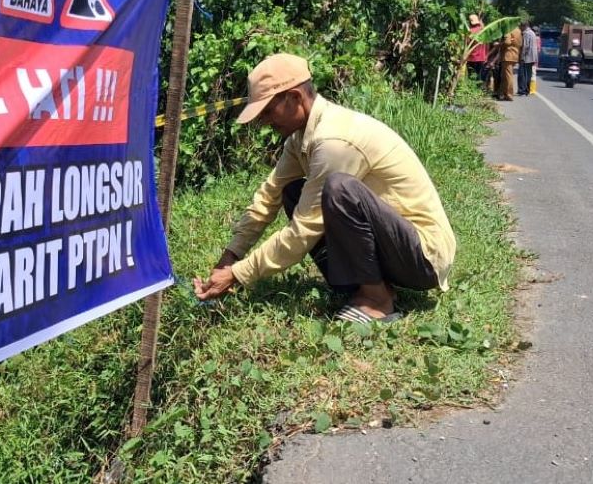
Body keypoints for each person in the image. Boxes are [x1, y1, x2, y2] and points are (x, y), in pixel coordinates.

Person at [192, 54, 457, 324]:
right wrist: (228, 259)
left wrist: (239, 274)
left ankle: (378, 300)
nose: (265, 122)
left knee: (339, 190)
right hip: (393, 247)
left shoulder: (333, 141)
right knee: (291, 192)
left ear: (294, 98)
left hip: (423, 257)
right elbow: (268, 197)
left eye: (269, 111)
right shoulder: (300, 137)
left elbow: (302, 231)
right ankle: (364, 287)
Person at [496, 24, 521, 101]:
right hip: (514, 54)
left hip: (508, 55)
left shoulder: (509, 30)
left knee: (508, 76)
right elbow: (520, 43)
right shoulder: (518, 30)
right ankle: (502, 93)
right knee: (505, 75)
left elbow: (507, 42)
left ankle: (509, 94)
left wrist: (499, 44)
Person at [517, 21, 538, 95]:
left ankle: (522, 90)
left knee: (522, 74)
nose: (520, 28)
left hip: (526, 57)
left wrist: (521, 56)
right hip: (532, 57)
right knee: (528, 74)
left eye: (520, 27)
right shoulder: (532, 32)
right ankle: (527, 90)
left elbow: (525, 46)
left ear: (524, 26)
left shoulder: (526, 33)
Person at [466, 13, 488, 82]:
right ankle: (479, 91)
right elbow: (487, 44)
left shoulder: (470, 31)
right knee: (480, 77)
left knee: (472, 78)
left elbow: (467, 43)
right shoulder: (483, 30)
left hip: (472, 58)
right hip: (482, 58)